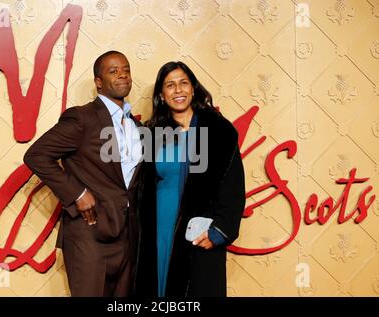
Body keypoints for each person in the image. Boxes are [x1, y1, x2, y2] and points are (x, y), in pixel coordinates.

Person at [24, 51, 142, 296]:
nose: (122, 75)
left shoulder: (136, 127)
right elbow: (36, 155)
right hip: (90, 235)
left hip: (129, 238)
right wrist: (77, 193)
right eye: (113, 71)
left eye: (126, 70)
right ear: (99, 82)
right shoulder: (82, 118)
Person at [134, 61, 245, 297]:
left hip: (198, 231)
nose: (178, 90)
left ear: (193, 88)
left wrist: (219, 231)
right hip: (159, 228)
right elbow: (143, 186)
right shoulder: (154, 133)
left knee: (197, 289)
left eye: (183, 83)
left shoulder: (218, 131)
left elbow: (234, 188)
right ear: (162, 95)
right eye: (170, 85)